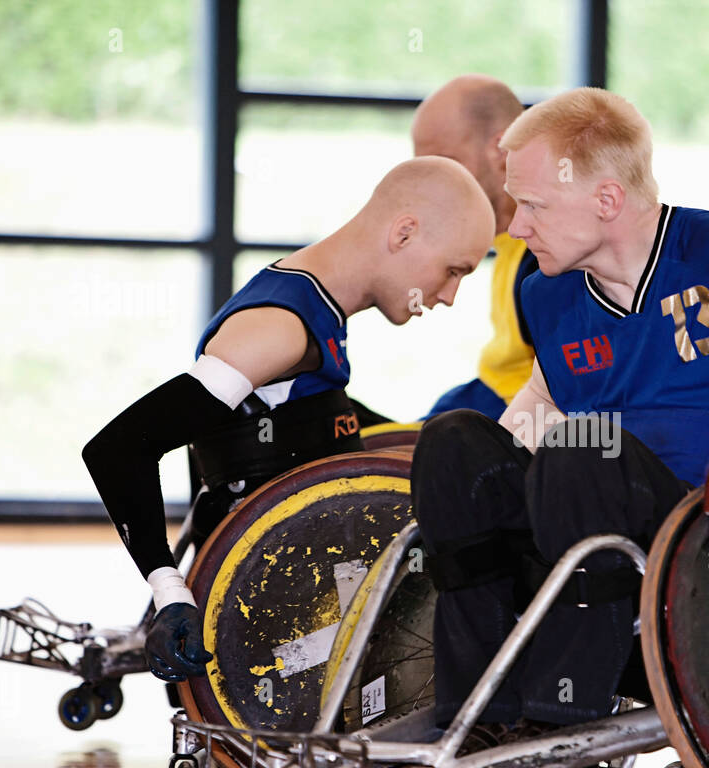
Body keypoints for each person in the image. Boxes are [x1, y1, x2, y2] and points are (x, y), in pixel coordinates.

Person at [411, 88, 709, 743]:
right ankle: (477, 719)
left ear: (607, 200)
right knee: (454, 441)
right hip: (597, 538)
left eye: (532, 205)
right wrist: (467, 488)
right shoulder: (548, 293)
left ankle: (564, 720)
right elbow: (533, 410)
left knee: (583, 449)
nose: (517, 227)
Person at [83, 156, 495, 682]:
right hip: (271, 622)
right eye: (454, 270)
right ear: (405, 233)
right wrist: (170, 594)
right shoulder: (279, 328)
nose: (448, 296)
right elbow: (120, 448)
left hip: (303, 583)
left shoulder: (315, 307)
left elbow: (324, 423)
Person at [411, 74, 539, 420]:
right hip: (482, 395)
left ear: (500, 151)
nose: (430, 186)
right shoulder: (510, 242)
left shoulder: (547, 257)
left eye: (444, 161)